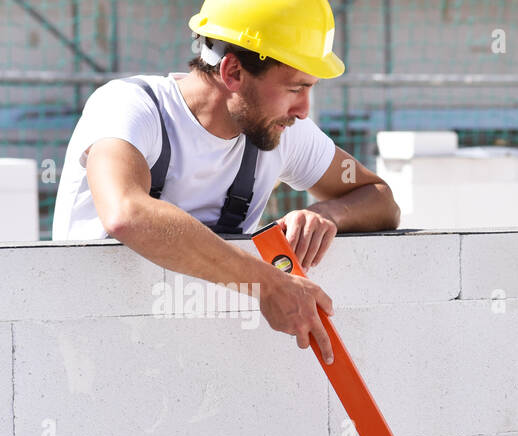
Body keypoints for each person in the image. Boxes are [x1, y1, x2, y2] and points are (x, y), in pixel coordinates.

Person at [51, 0, 401, 364]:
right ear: (232, 71)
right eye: (296, 88)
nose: (303, 110)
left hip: (196, 368)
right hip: (91, 358)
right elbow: (127, 213)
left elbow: (381, 200)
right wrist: (267, 284)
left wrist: (329, 213)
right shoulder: (131, 108)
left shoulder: (281, 130)